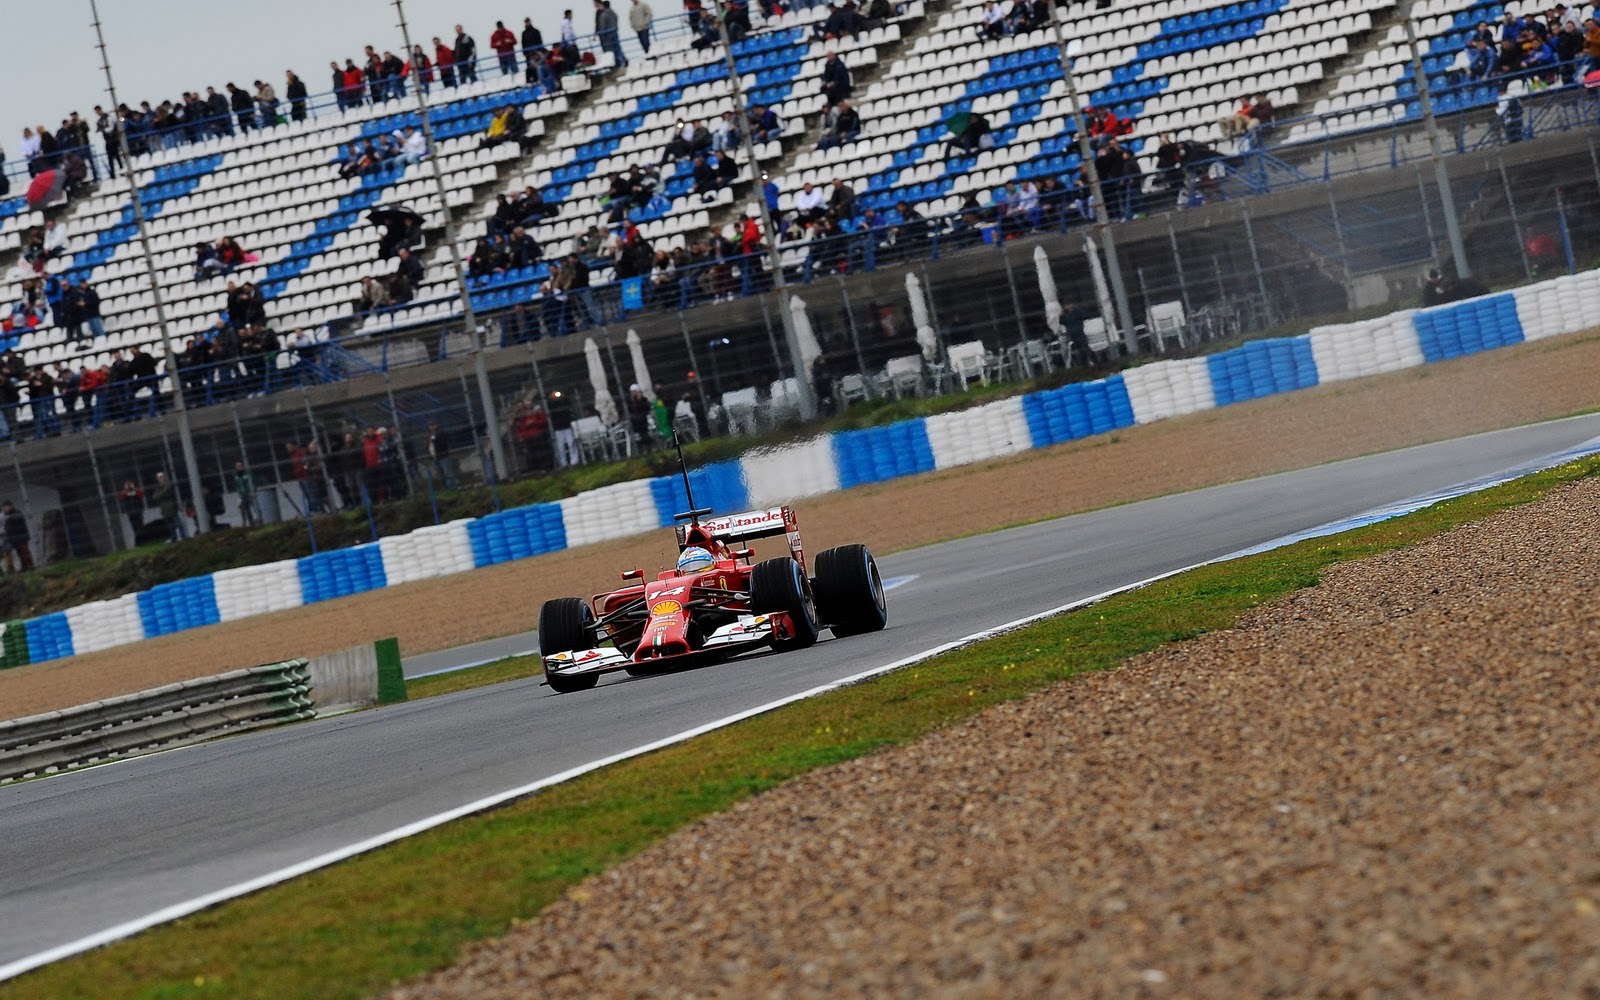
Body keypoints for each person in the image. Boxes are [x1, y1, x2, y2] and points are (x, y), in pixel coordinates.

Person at [151, 471, 183, 541]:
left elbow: (165, 492)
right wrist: (162, 494)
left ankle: (183, 537)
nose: (161, 479)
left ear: (165, 477)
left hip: (172, 506)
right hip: (164, 508)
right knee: (170, 525)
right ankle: (174, 538)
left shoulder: (169, 484)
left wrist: (160, 494)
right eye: (159, 478)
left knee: (178, 523)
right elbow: (154, 497)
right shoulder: (159, 487)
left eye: (162, 477)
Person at [597, 0, 628, 68]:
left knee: (610, 51)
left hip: (607, 37)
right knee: (617, 49)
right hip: (614, 33)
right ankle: (623, 61)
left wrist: (602, 36)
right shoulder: (613, 13)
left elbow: (603, 27)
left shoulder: (603, 15)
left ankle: (616, 64)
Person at [2, 502, 30, 571]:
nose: (5, 509)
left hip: (21, 537)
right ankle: (24, 567)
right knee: (19, 553)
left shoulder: (17, 513)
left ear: (11, 506)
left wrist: (7, 518)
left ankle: (29, 566)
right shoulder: (6, 516)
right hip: (14, 538)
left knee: (24, 552)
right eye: (4, 508)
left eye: (7, 507)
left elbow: (16, 519)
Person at [232, 460, 258, 526]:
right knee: (243, 509)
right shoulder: (236, 476)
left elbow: (252, 482)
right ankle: (245, 522)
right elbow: (236, 485)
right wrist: (239, 492)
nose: (238, 467)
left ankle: (255, 521)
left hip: (249, 494)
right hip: (241, 495)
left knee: (252, 508)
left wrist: (252, 491)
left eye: (240, 466)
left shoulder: (247, 474)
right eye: (237, 466)